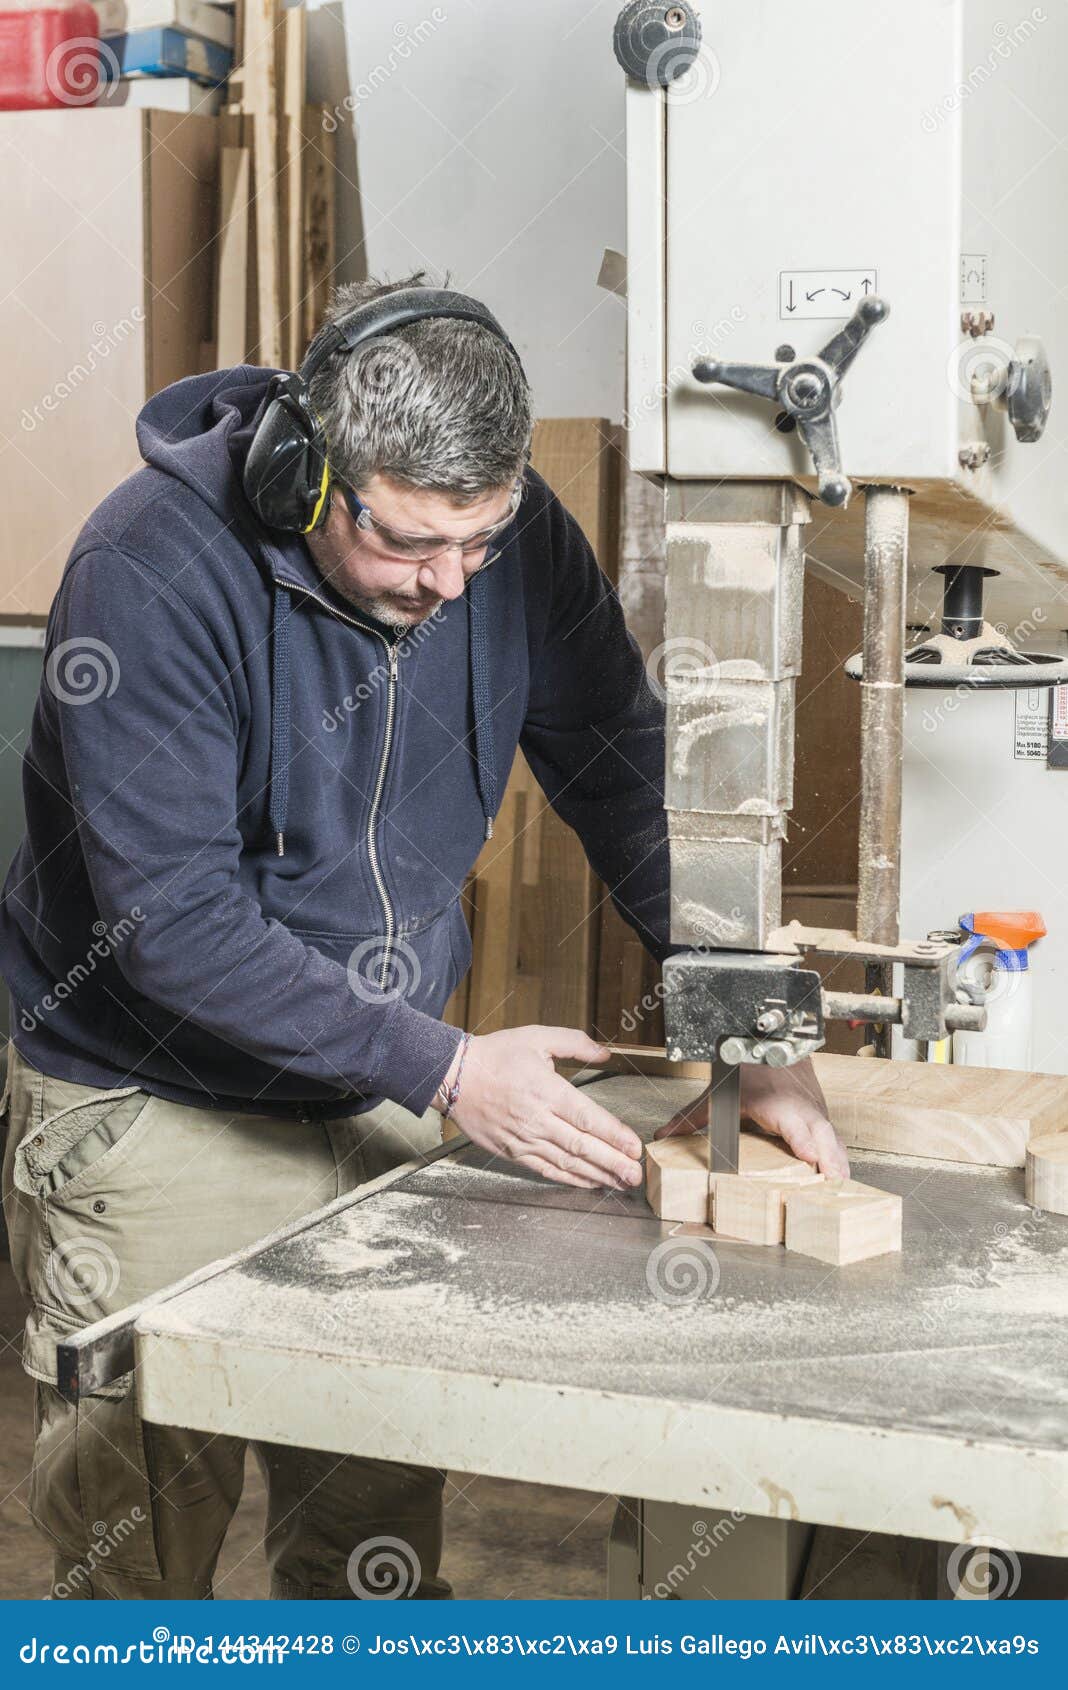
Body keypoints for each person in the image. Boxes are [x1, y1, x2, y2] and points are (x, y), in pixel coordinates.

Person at [0, 274, 847, 1600]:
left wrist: (752, 1013)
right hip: (157, 1101)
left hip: (381, 1087)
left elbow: (624, 768)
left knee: (371, 1546)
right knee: (141, 1561)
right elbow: (170, 924)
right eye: (408, 543)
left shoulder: (500, 542)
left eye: (481, 540)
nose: (451, 583)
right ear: (304, 473)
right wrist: (453, 1071)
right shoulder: (147, 569)